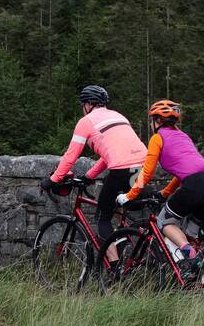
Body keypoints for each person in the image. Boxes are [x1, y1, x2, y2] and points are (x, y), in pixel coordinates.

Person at [116, 99, 204, 275]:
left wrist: (130, 195)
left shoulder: (158, 138)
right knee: (189, 234)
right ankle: (191, 272)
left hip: (195, 186)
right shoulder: (183, 136)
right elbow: (185, 171)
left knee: (164, 222)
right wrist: (166, 192)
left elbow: (147, 173)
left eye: (151, 121)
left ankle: (191, 257)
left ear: (157, 121)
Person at [47, 85, 147, 263]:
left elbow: (71, 156)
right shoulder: (119, 116)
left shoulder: (86, 121)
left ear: (88, 104)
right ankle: (126, 240)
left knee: (102, 218)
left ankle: (115, 266)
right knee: (130, 203)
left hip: (121, 169)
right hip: (141, 167)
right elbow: (108, 156)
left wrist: (53, 179)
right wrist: (89, 177)